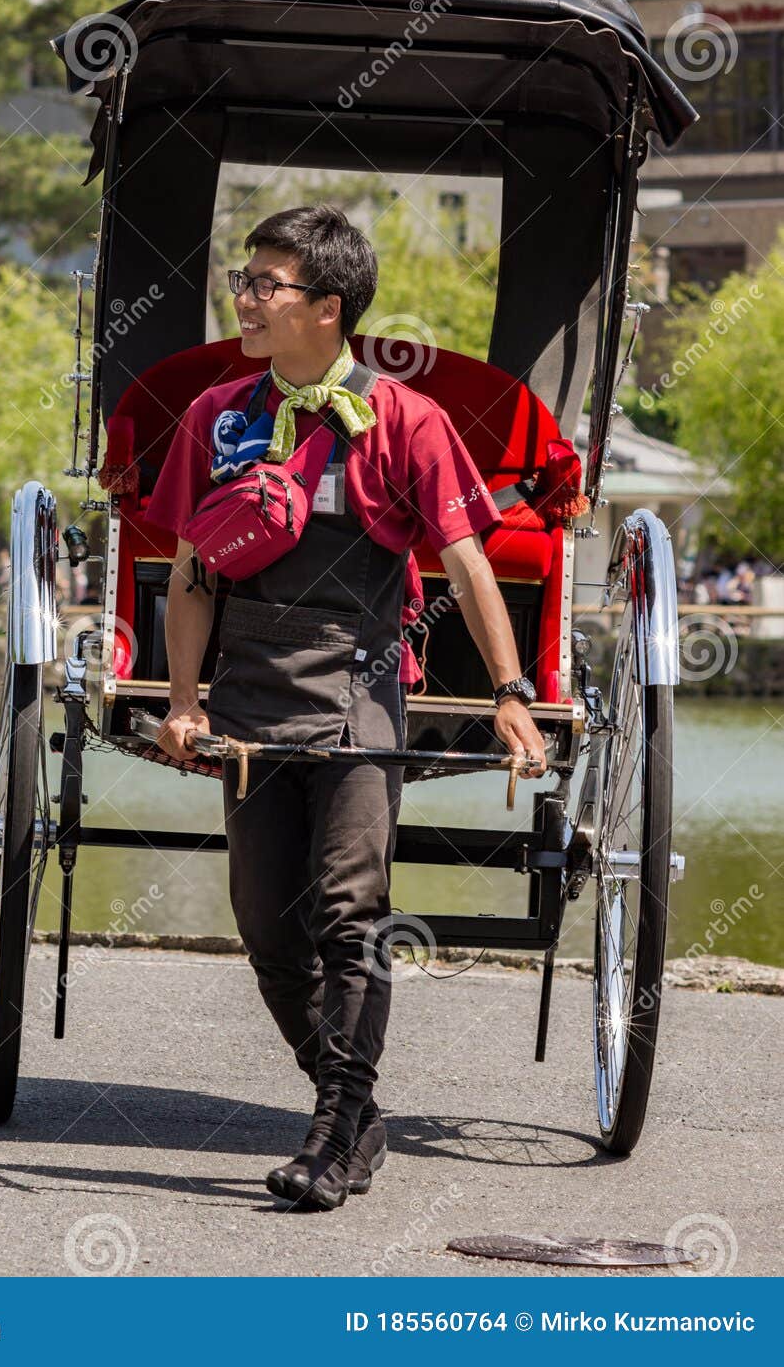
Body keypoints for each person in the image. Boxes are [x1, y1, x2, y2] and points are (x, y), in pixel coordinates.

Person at [145, 206, 546, 1212]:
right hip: (245, 691)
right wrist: (182, 703)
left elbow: (463, 558)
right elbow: (191, 574)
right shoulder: (216, 417)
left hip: (359, 688)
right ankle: (354, 1115)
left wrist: (507, 693)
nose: (244, 296)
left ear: (326, 308)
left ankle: (334, 1125)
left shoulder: (405, 420)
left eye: (265, 284)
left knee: (344, 908)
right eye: (243, 277)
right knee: (263, 924)